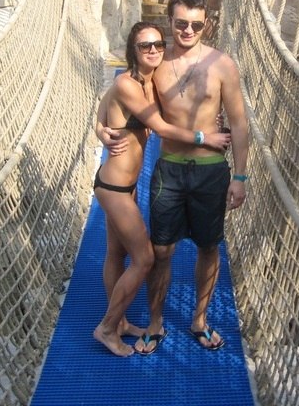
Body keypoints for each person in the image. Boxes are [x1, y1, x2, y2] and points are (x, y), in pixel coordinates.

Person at [93, 21, 231, 357]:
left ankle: (121, 321)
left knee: (116, 253)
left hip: (125, 186)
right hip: (113, 186)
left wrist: (99, 127)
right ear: (133, 49)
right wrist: (205, 137)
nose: (153, 50)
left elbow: (103, 104)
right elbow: (160, 126)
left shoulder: (148, 81)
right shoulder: (127, 84)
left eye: (158, 44)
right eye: (145, 46)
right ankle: (107, 328)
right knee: (144, 259)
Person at [133, 0, 249, 355]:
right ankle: (155, 322)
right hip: (169, 169)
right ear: (170, 21)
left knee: (208, 246)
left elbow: (239, 123)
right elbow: (127, 98)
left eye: (196, 25)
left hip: (210, 171)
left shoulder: (222, 65)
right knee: (161, 249)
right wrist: (105, 129)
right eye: (181, 23)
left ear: (206, 25)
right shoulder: (156, 63)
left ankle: (199, 320)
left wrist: (240, 177)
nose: (188, 31)